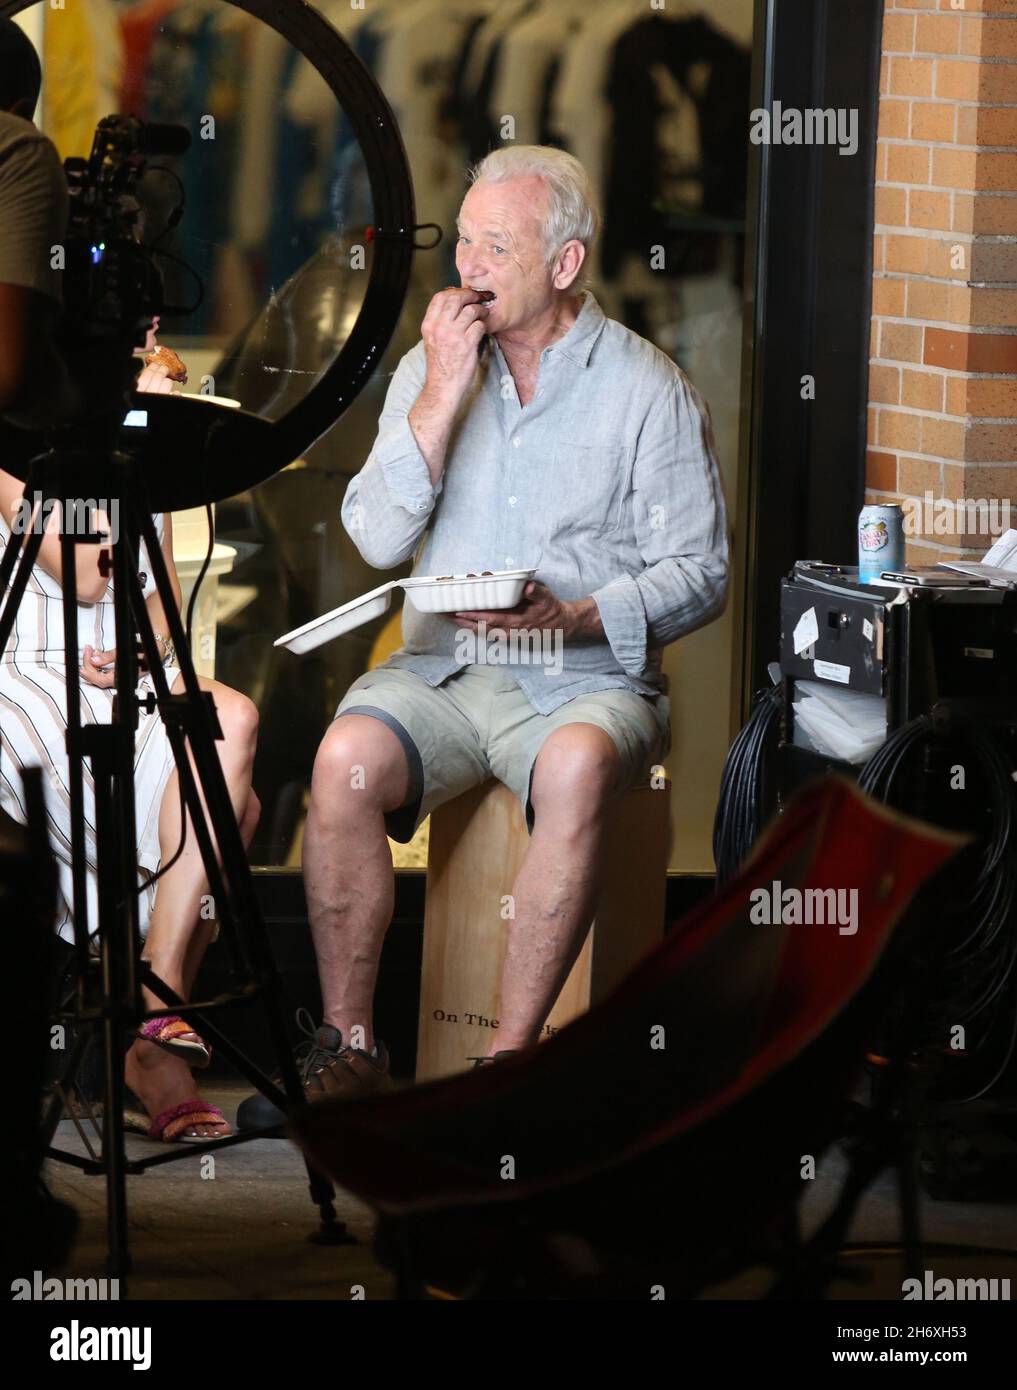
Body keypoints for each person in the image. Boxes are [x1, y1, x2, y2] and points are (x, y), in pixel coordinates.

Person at [244, 143, 729, 1122]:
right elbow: (375, 535)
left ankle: (510, 1074)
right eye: (463, 242)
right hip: (449, 667)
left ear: (565, 263)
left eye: (494, 248)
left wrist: (581, 613)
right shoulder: (432, 366)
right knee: (343, 758)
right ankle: (350, 1050)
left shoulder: (648, 388)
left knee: (580, 766)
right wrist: (439, 392)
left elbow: (705, 571)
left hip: (584, 676)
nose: (466, 268)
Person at [0, 18, 258, 1142]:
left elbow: (139, 588)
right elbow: (83, 562)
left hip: (109, 655)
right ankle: (127, 1042)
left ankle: (153, 1022)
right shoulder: (12, 422)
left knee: (226, 734)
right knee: (211, 805)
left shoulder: (95, 411)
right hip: (20, 660)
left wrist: (157, 657)